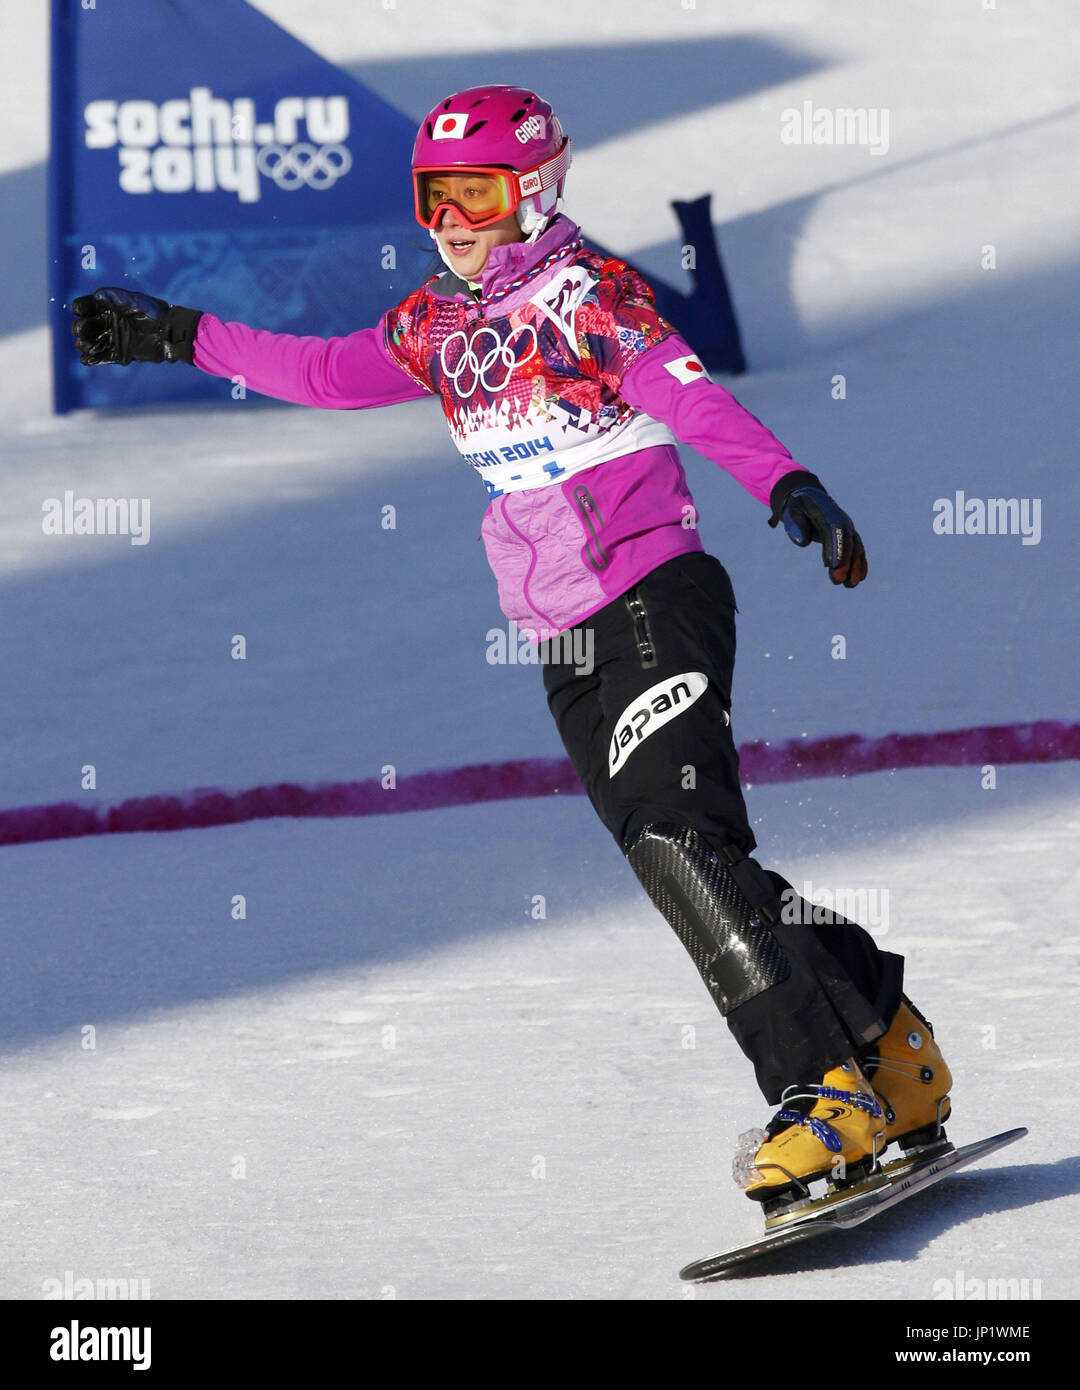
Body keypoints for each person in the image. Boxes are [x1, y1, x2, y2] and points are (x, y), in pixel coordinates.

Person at [72, 83, 952, 1211]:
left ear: (534, 188)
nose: (451, 219)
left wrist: (789, 483)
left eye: (476, 194)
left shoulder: (591, 298)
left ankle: (821, 1091)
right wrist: (178, 334)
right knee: (684, 851)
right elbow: (329, 373)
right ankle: (888, 1040)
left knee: (681, 837)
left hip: (653, 593)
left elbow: (691, 398)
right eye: (435, 197)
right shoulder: (436, 322)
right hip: (566, 635)